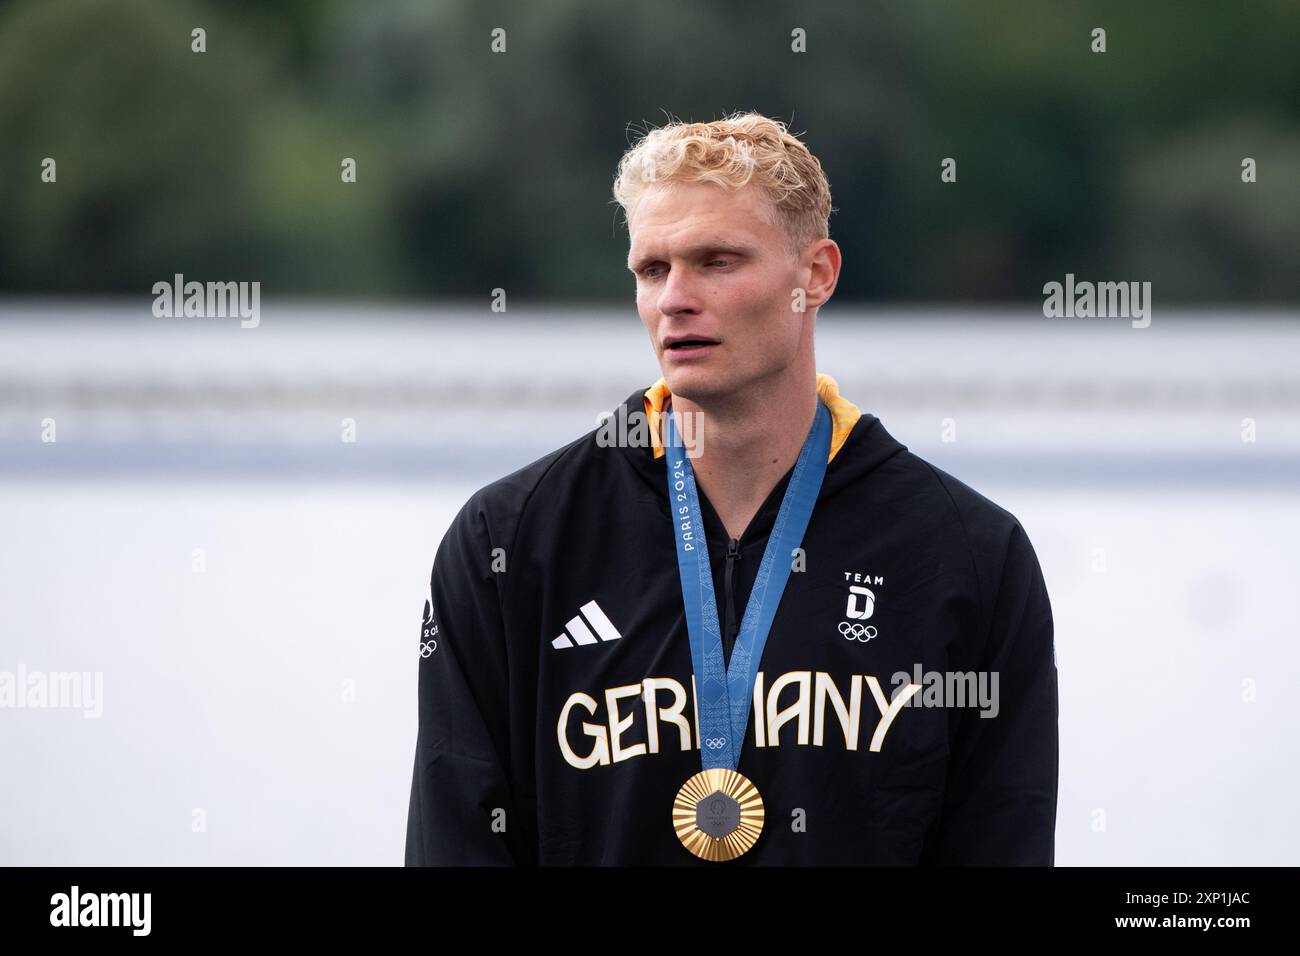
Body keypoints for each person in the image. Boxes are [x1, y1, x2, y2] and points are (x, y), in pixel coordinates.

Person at [405, 111, 1058, 865]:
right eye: (652, 270)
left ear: (815, 276)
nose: (675, 299)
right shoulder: (511, 541)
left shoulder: (967, 553)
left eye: (717, 261)